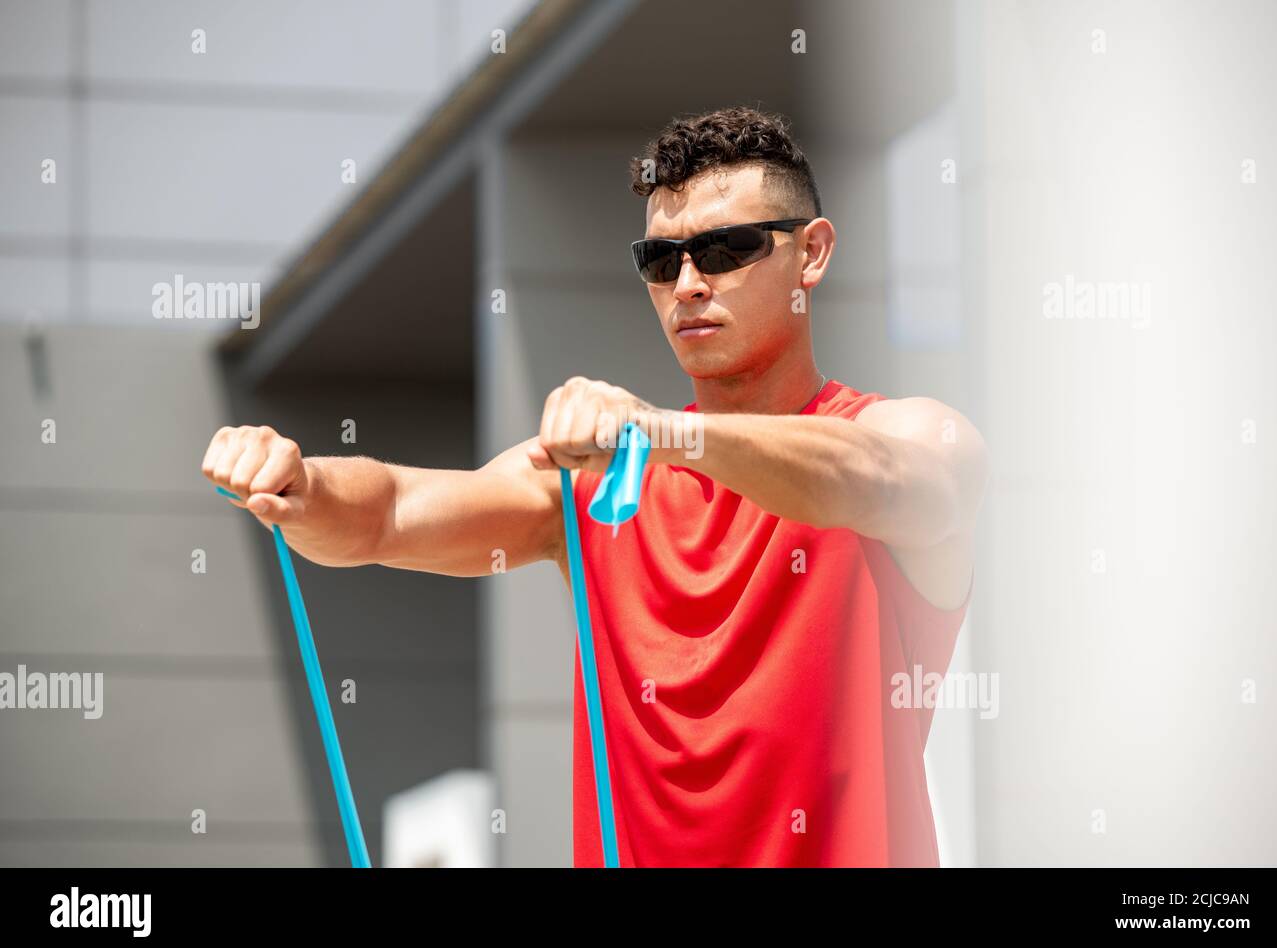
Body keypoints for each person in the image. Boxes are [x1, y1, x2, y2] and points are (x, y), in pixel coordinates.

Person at [200, 106, 988, 867]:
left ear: (811, 254)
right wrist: (299, 481)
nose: (687, 284)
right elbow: (392, 512)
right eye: (660, 260)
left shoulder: (915, 436)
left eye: (726, 249)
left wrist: (666, 435)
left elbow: (874, 478)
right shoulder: (599, 485)